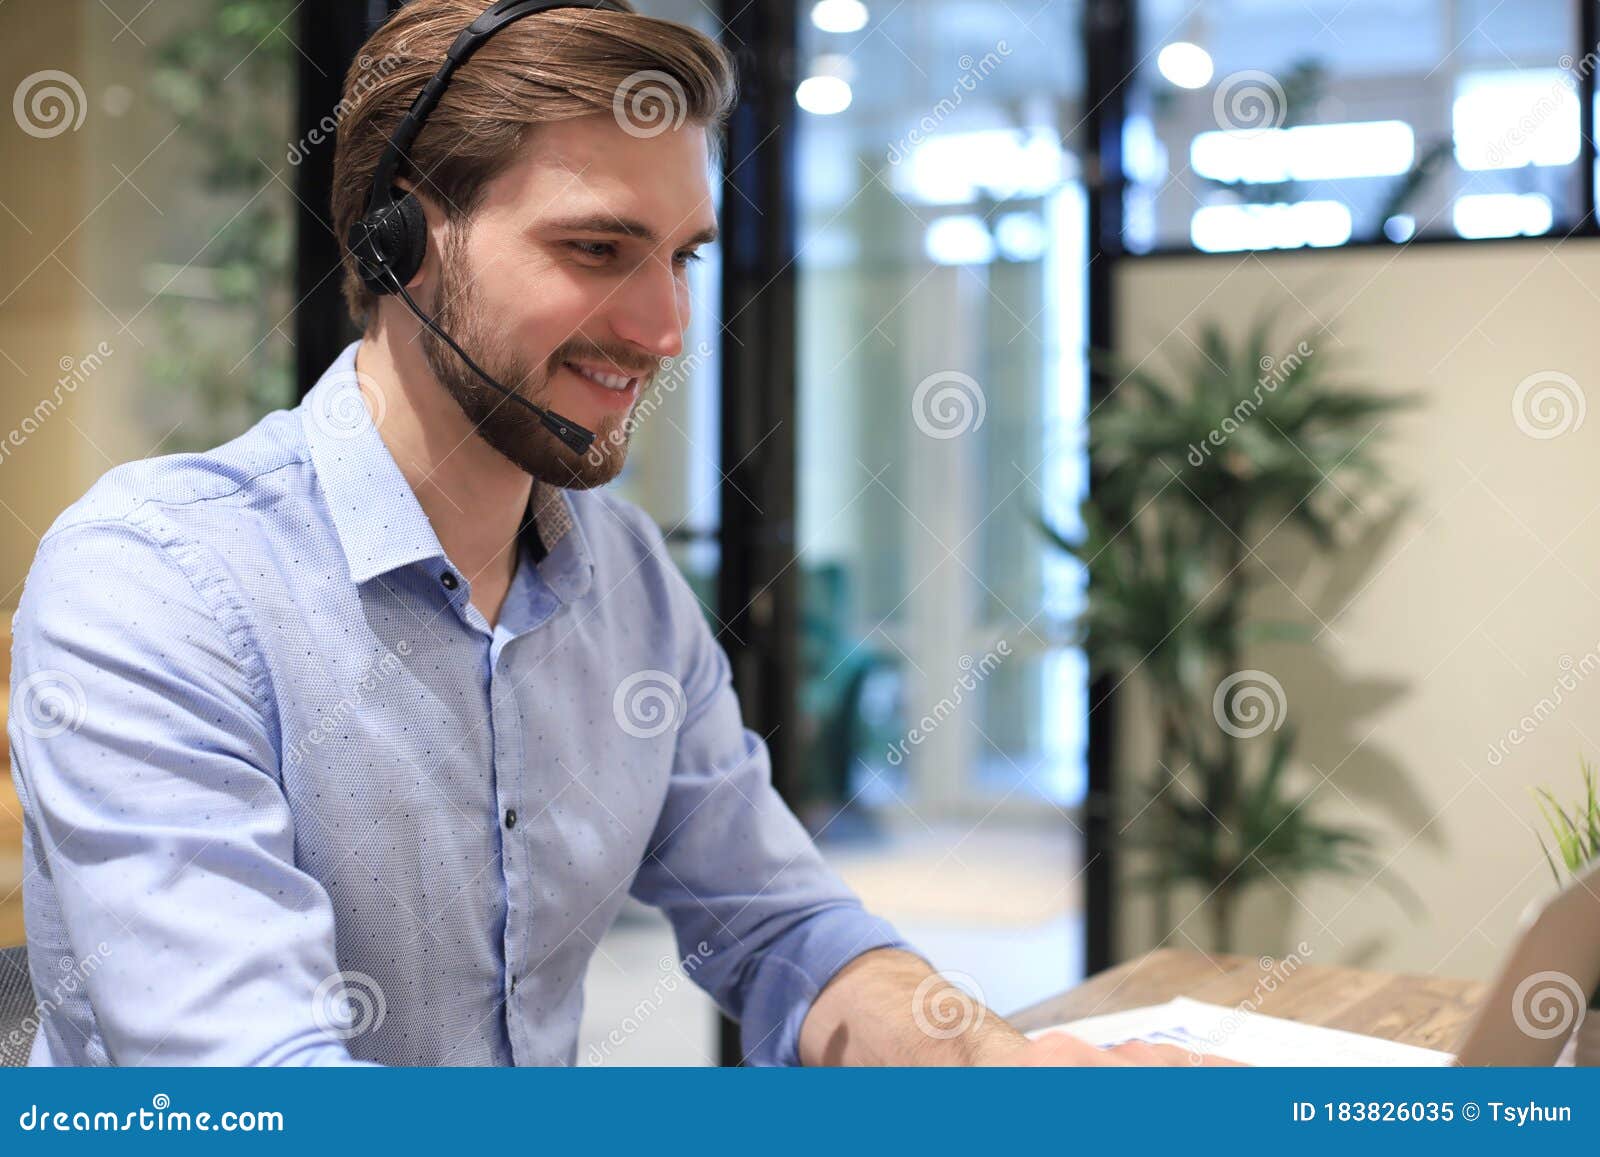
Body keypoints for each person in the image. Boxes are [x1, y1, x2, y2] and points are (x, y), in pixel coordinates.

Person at [7, 0, 1217, 1068]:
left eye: (681, 257)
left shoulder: (624, 576)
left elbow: (785, 925)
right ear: (398, 242)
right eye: (597, 249)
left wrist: (999, 1065)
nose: (664, 327)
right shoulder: (158, 583)